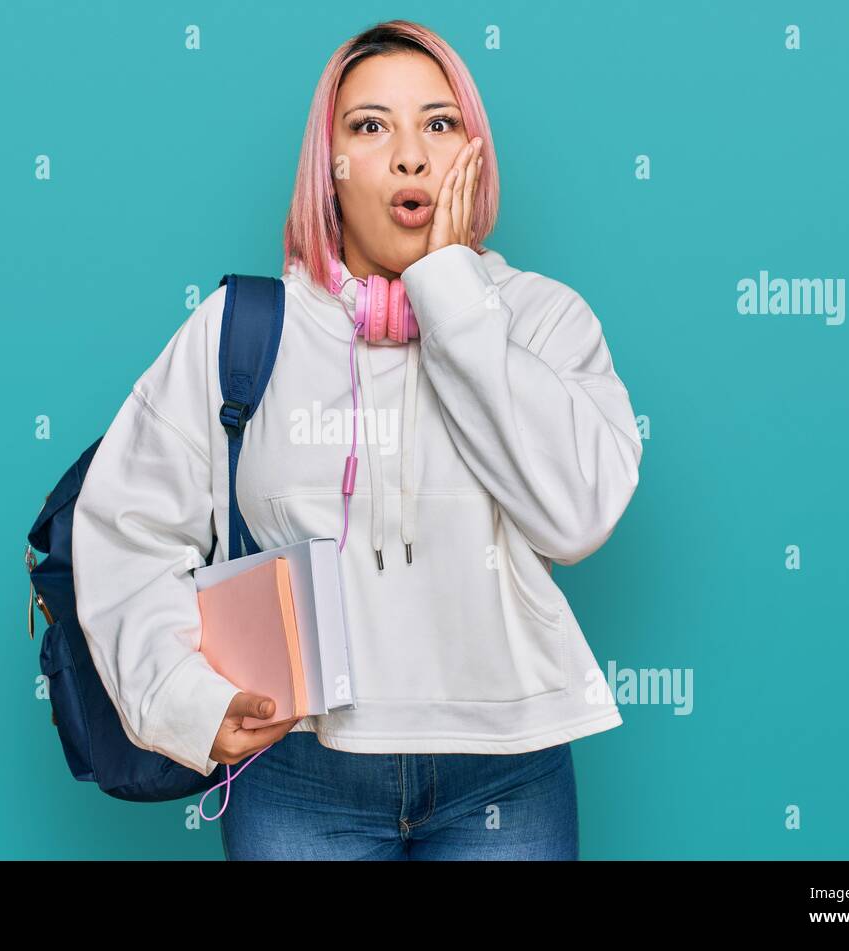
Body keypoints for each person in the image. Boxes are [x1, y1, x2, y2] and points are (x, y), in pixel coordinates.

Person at [70, 19, 643, 860]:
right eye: (371, 126)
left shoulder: (544, 319)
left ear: (472, 156)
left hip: (508, 770)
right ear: (327, 171)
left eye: (438, 124)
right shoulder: (242, 329)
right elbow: (127, 529)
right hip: (297, 772)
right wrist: (188, 700)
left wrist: (450, 293)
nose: (410, 154)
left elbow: (577, 517)